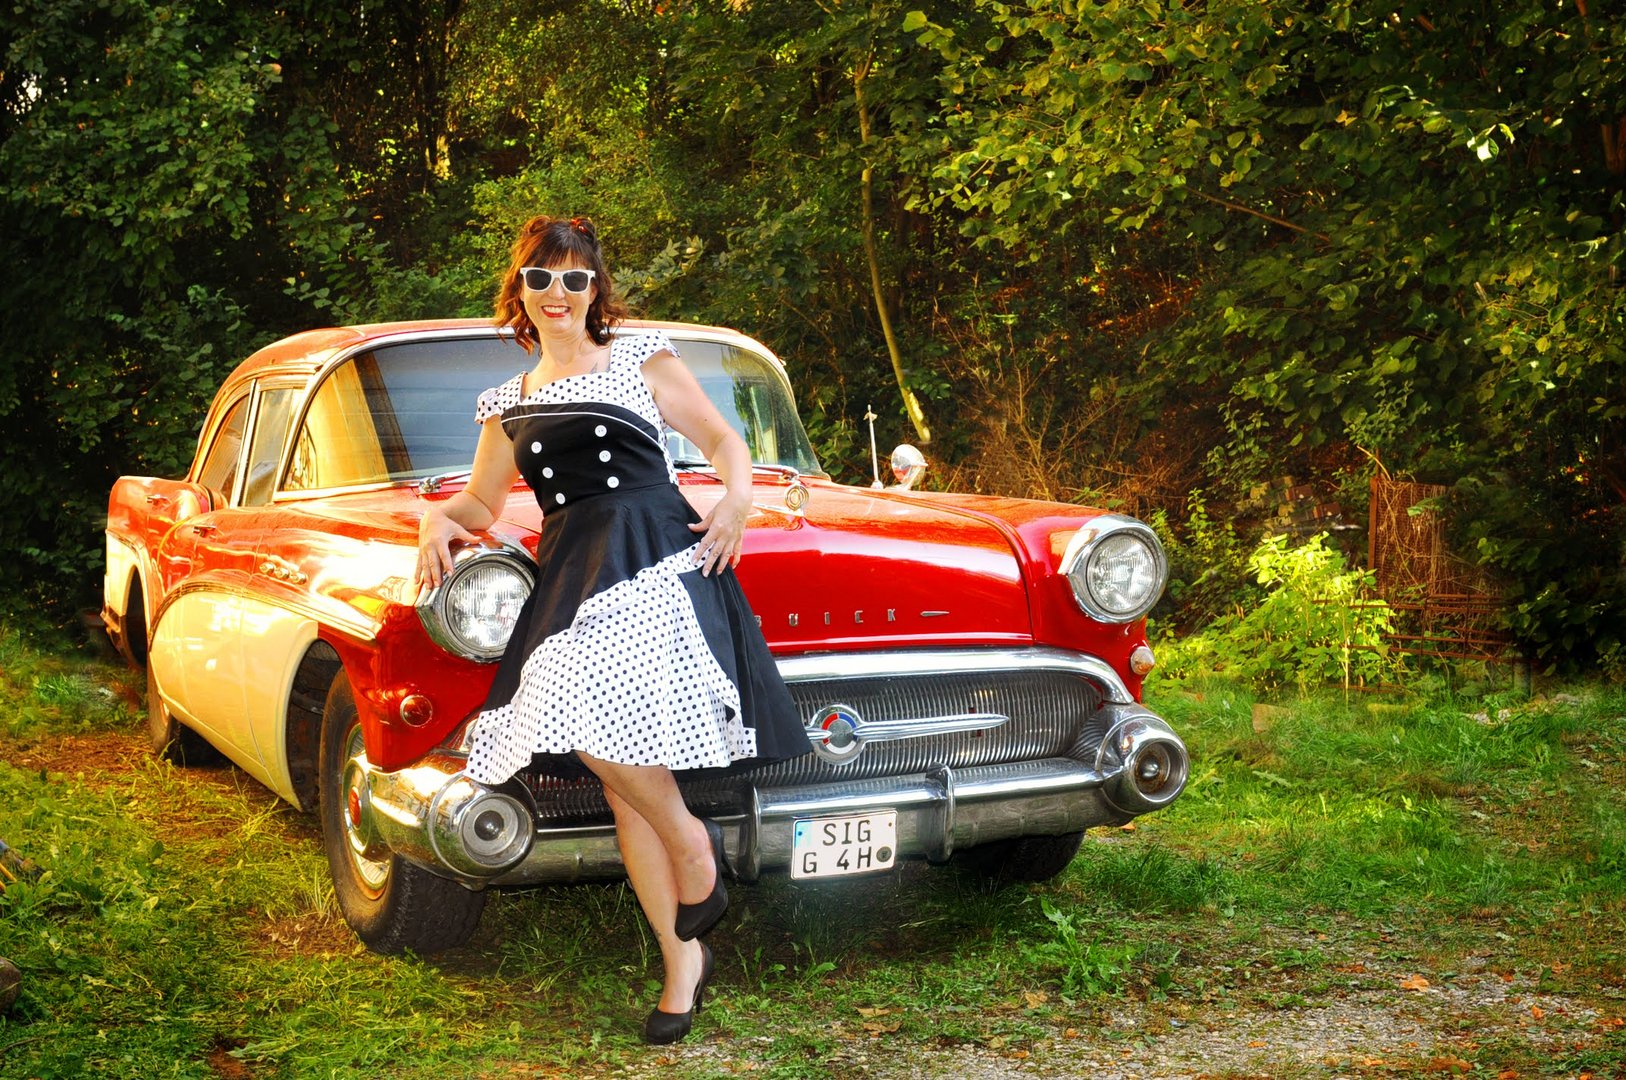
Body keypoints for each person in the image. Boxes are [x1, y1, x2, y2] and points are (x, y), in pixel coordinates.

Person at [415, 215, 808, 1044]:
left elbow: (722, 439)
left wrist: (736, 500)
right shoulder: (509, 401)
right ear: (518, 291)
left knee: (615, 754)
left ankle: (686, 913)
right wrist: (436, 522)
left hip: (656, 556)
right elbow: (482, 504)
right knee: (621, 767)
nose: (558, 295)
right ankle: (688, 913)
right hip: (574, 567)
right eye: (540, 279)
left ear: (596, 291)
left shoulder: (639, 357)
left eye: (574, 280)